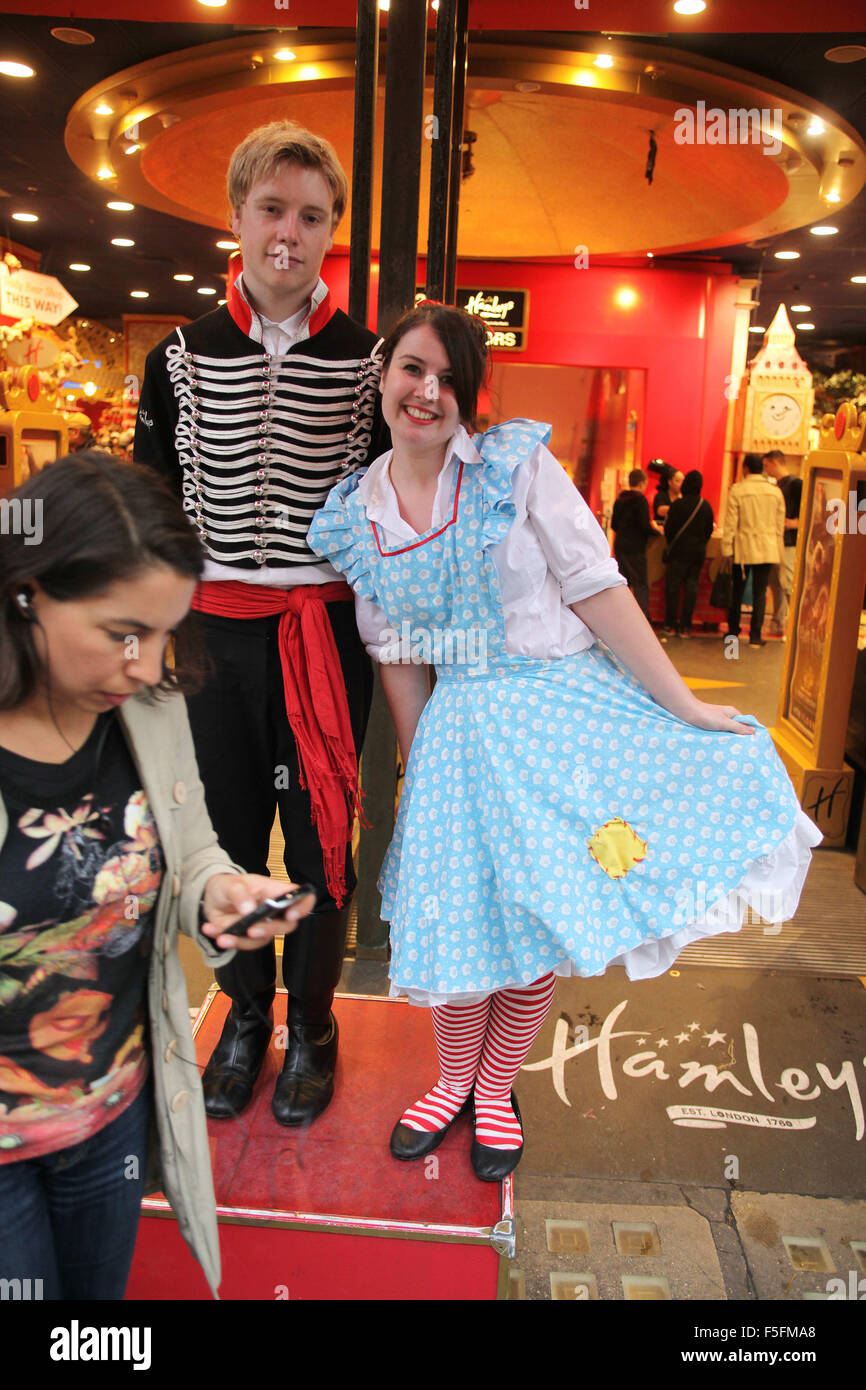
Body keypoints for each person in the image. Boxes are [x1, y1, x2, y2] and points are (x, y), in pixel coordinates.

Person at [307, 303, 821, 1182]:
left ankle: (496, 1088)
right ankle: (451, 1082)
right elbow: (395, 654)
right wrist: (415, 761)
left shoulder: (514, 466)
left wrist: (686, 704)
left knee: (540, 928)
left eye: (447, 380)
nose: (427, 393)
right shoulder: (357, 514)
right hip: (461, 736)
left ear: (469, 395)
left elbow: (597, 588)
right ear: (383, 376)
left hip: (565, 719)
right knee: (462, 927)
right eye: (411, 371)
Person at [0, 453, 316, 1300]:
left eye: (168, 631)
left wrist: (219, 889)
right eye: (122, 633)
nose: (148, 665)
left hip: (113, 1119)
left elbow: (189, 849)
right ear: (30, 590)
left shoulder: (145, 704)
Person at [134, 120, 389, 1129]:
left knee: (324, 843)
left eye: (311, 215)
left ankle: (315, 1027)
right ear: (236, 216)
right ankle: (244, 1018)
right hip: (209, 641)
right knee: (227, 838)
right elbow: (152, 509)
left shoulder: (370, 359)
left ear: (330, 231)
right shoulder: (179, 354)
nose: (290, 231)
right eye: (271, 209)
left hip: (322, 637)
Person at [721, 452, 785, 648]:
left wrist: (726, 549)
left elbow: (731, 522)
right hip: (767, 548)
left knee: (737, 592)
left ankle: (733, 631)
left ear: (746, 468)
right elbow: (779, 524)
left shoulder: (738, 490)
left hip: (743, 547)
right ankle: (755, 635)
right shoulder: (775, 492)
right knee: (760, 591)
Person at [662, 470, 714, 638]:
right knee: (692, 588)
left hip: (678, 552)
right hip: (697, 553)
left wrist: (672, 544)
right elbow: (708, 531)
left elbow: (668, 529)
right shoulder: (705, 506)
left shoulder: (677, 505)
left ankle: (670, 624)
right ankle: (685, 626)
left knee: (673, 588)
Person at [763, 450, 802, 636]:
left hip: (788, 542)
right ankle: (778, 622)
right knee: (776, 583)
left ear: (774, 462)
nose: (765, 469)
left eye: (766, 465)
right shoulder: (777, 485)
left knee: (788, 583)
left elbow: (811, 510)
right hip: (775, 540)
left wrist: (793, 523)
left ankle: (795, 623)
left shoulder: (795, 484)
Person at [610, 468, 657, 621]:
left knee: (623, 582)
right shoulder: (640, 500)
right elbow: (644, 525)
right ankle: (643, 618)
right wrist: (657, 532)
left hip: (620, 545)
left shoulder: (619, 500)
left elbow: (614, 525)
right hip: (636, 547)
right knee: (640, 583)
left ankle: (620, 615)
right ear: (643, 483)